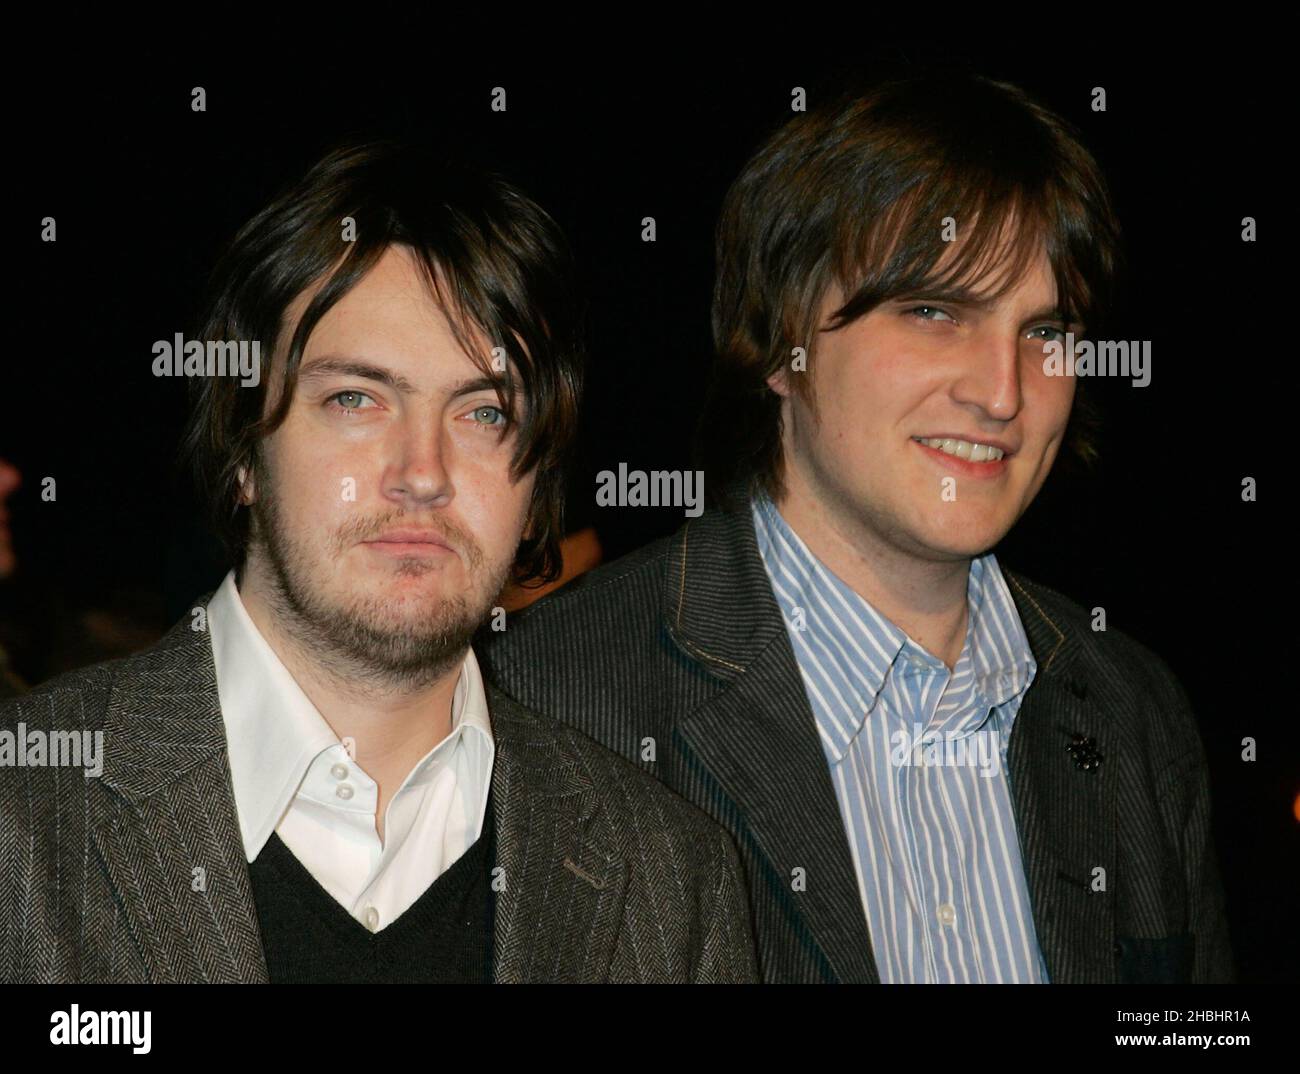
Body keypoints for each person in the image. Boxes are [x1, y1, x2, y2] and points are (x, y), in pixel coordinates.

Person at [480, 73, 1233, 983]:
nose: (1003, 392)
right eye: (933, 311)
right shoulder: (554, 697)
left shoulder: (1131, 707)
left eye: (1045, 333)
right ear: (780, 339)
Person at [0, 142, 757, 983]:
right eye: (356, 400)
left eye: (484, 413)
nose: (423, 473)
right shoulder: (23, 814)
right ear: (244, 448)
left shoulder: (671, 881)